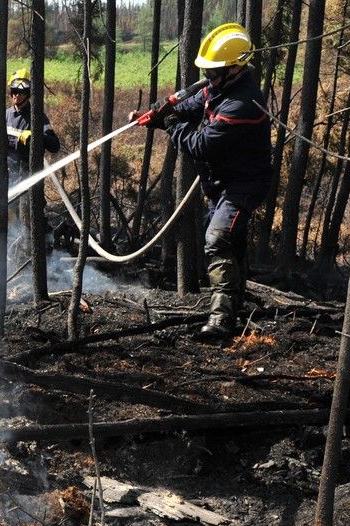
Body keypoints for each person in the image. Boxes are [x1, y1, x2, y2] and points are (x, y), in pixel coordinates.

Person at [129, 23, 271, 338]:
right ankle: (236, 304)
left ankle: (221, 321)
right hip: (221, 185)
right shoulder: (219, 88)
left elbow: (200, 145)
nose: (208, 78)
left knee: (217, 239)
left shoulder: (242, 103)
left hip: (243, 185)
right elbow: (189, 108)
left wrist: (170, 123)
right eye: (206, 72)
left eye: (213, 72)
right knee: (231, 243)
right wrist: (156, 116)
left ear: (235, 68)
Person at [0, 68, 61, 260]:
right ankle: (13, 255)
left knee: (32, 218)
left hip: (29, 177)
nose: (16, 96)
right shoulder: (5, 115)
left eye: (20, 92)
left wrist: (36, 135)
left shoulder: (37, 116)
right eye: (13, 92)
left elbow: (54, 146)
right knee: (7, 218)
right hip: (8, 176)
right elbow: (0, 139)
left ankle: (46, 256)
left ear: (27, 94)